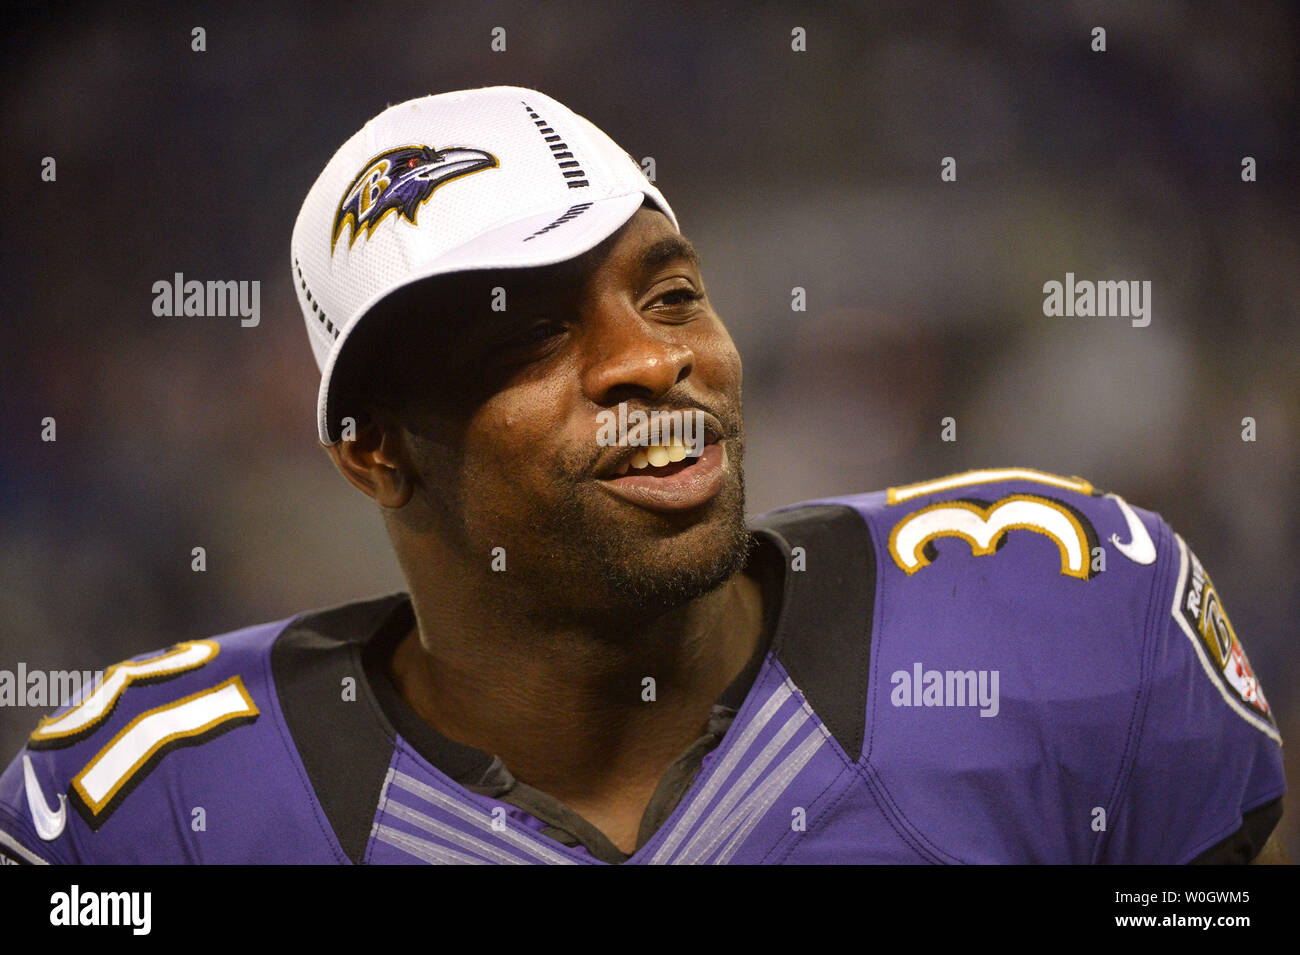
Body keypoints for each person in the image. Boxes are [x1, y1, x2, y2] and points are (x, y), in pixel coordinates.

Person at [0, 86, 1284, 865]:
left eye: (668, 293)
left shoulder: (1056, 608)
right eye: (528, 336)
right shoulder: (156, 805)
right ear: (372, 448)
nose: (649, 361)